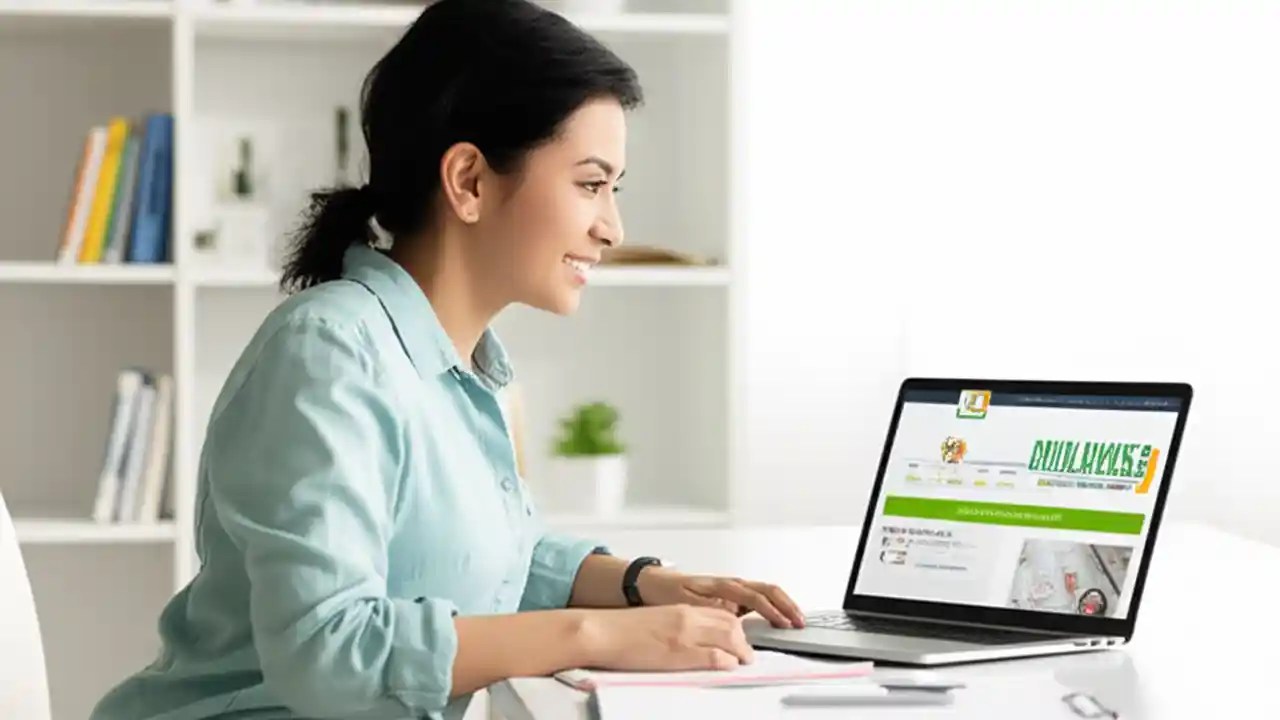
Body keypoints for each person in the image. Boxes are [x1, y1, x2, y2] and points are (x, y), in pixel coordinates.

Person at [89, 1, 802, 718]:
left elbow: (478, 555)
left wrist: (645, 584)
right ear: (468, 180)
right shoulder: (329, 353)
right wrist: (602, 633)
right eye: (590, 184)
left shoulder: (461, 364)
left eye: (614, 189)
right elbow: (329, 653)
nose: (612, 227)